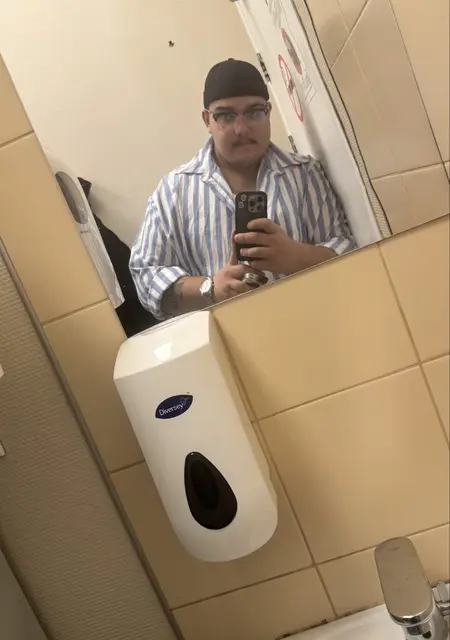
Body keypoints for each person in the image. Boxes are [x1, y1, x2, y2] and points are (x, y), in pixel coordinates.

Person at [130, 59, 354, 321]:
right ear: (207, 120)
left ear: (268, 112)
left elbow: (348, 250)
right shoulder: (173, 192)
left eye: (254, 112)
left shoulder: (304, 175)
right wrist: (209, 288)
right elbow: (146, 275)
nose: (242, 129)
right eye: (226, 116)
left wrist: (295, 256)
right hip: (224, 337)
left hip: (314, 323)